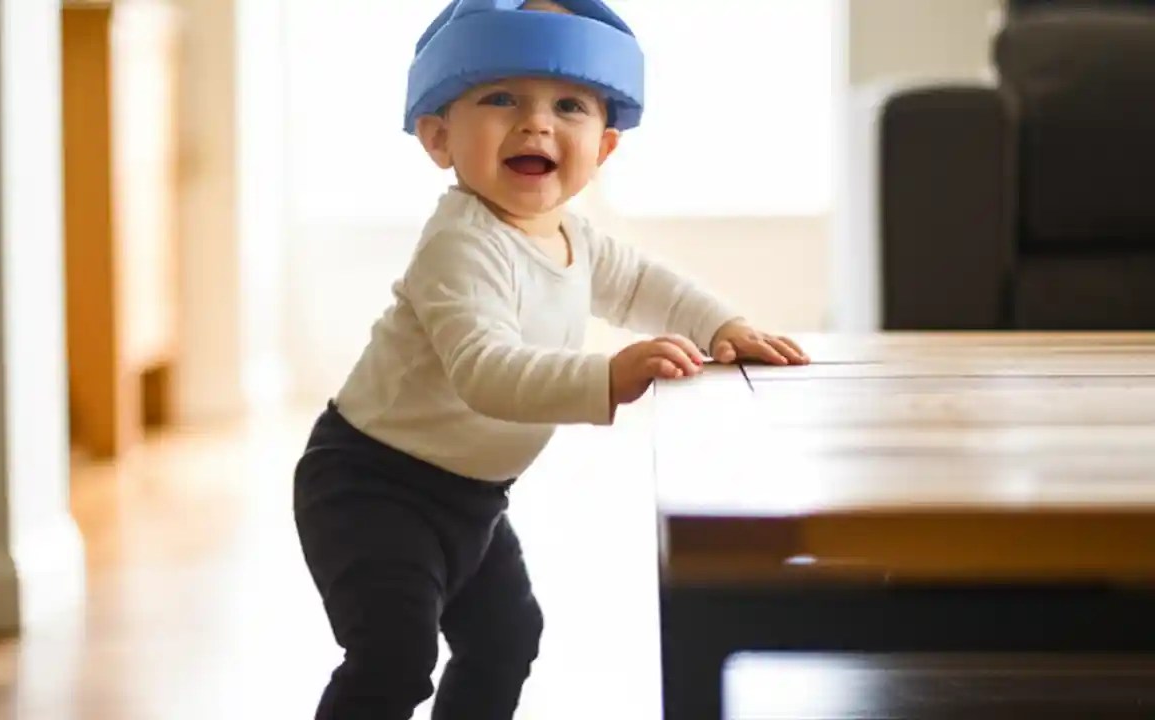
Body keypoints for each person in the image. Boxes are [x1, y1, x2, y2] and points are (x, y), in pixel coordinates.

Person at [293, 1, 811, 718]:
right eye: (501, 98)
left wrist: (725, 323)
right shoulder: (461, 244)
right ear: (439, 137)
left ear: (603, 148)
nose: (535, 122)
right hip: (371, 486)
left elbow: (642, 284)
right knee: (393, 656)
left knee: (507, 637)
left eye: (569, 104)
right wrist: (608, 375)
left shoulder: (572, 234)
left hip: (470, 494)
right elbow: (486, 369)